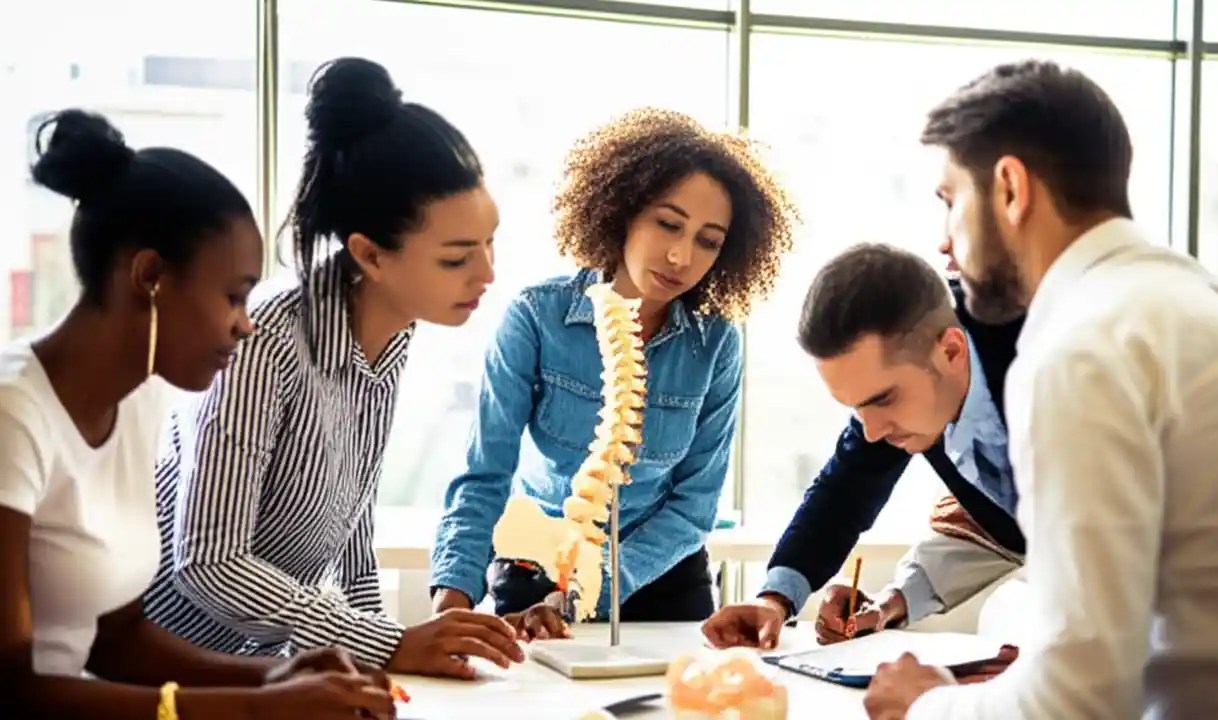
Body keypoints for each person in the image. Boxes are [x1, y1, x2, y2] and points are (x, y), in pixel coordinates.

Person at [865, 59, 1218, 719]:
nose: (944, 243)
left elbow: (1078, 702)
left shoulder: (1080, 348)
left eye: (950, 200)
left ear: (1009, 188)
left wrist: (926, 704)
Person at [0, 110, 396, 719]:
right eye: (233, 296)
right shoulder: (13, 414)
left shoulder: (136, 402)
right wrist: (258, 710)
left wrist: (276, 675)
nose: (246, 324)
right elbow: (12, 686)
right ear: (149, 276)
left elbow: (115, 639)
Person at [143, 57, 523, 680]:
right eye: (457, 259)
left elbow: (351, 527)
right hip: (161, 675)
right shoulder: (264, 342)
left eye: (490, 243)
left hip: (263, 672)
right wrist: (388, 644)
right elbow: (209, 563)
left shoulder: (392, 334)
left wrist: (379, 665)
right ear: (370, 255)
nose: (487, 274)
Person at [429, 108, 799, 633]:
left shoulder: (716, 344)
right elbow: (485, 474)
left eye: (708, 240)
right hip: (537, 568)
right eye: (668, 224)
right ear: (623, 212)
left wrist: (589, 590)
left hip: (664, 577)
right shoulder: (537, 317)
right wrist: (452, 604)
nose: (681, 256)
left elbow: (693, 506)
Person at [701, 243, 1025, 651]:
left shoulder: (1044, 360)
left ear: (950, 351)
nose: (871, 433)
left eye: (883, 399)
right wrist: (775, 600)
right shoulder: (910, 398)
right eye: (857, 408)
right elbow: (843, 494)